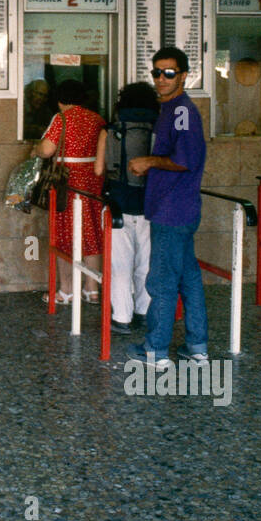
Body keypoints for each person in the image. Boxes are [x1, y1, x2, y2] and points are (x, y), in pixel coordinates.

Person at [127, 46, 208, 371]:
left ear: (184, 75)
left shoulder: (183, 112)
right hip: (176, 208)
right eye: (157, 73)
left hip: (173, 211)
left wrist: (148, 162)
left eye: (169, 73)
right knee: (188, 277)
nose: (161, 79)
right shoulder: (169, 110)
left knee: (161, 280)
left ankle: (155, 351)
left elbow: (184, 160)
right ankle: (197, 347)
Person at [33, 78, 106, 305]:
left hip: (69, 183)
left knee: (65, 235)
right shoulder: (97, 119)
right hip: (94, 181)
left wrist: (34, 149)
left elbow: (47, 150)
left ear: (60, 100)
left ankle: (66, 291)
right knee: (93, 233)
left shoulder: (62, 118)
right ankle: (92, 289)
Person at [96, 81, 160, 335]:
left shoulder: (110, 130)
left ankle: (121, 317)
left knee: (120, 263)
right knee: (146, 261)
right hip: (150, 203)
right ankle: (143, 312)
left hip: (118, 202)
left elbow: (99, 169)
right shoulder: (159, 128)